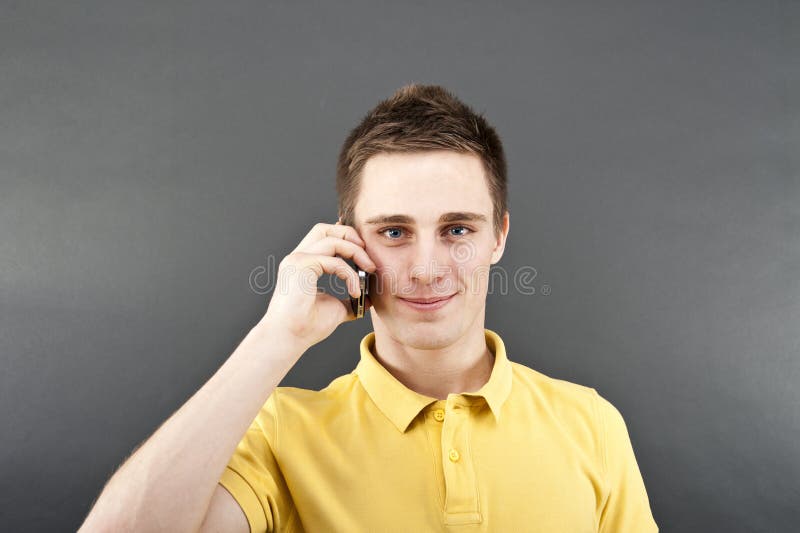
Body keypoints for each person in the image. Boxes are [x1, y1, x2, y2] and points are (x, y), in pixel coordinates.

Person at [79, 84, 658, 532]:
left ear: (498, 237)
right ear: (347, 241)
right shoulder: (280, 433)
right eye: (394, 231)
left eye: (457, 228)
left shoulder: (592, 424)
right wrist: (276, 337)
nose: (427, 268)